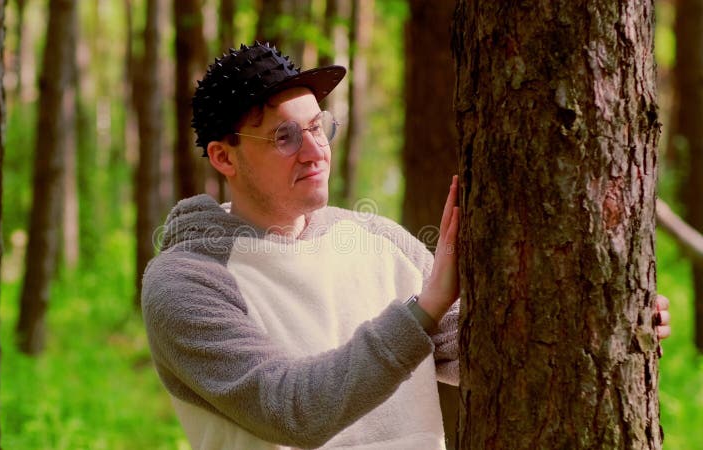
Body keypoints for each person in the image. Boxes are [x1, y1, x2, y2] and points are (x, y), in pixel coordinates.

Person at [141, 42, 671, 450]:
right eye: (284, 137)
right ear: (224, 158)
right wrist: (424, 310)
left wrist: (605, 325)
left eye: (318, 127)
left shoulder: (377, 240)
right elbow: (293, 410)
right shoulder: (186, 282)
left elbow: (483, 354)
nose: (314, 151)